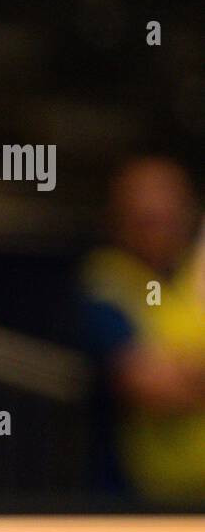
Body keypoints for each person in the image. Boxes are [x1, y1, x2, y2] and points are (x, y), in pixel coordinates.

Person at [78, 156, 205, 507]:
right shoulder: (107, 281)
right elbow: (152, 384)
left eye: (167, 217)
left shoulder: (193, 275)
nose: (158, 229)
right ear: (118, 219)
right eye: (145, 220)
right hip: (133, 504)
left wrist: (185, 367)